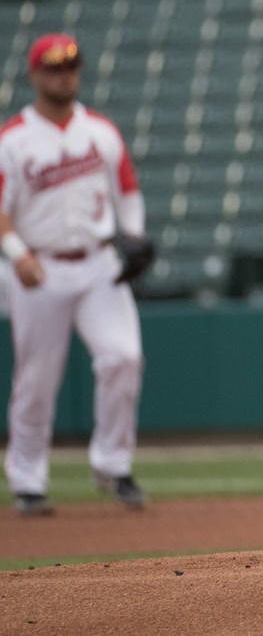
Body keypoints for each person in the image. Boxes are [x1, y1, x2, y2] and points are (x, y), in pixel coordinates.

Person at [2, 34, 149, 516]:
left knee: (123, 357)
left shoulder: (101, 132)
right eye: (53, 67)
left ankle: (113, 463)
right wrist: (16, 253)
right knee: (37, 379)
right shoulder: (14, 140)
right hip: (39, 267)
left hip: (99, 263)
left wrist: (133, 235)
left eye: (71, 66)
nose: (63, 75)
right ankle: (27, 479)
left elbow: (127, 189)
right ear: (35, 74)